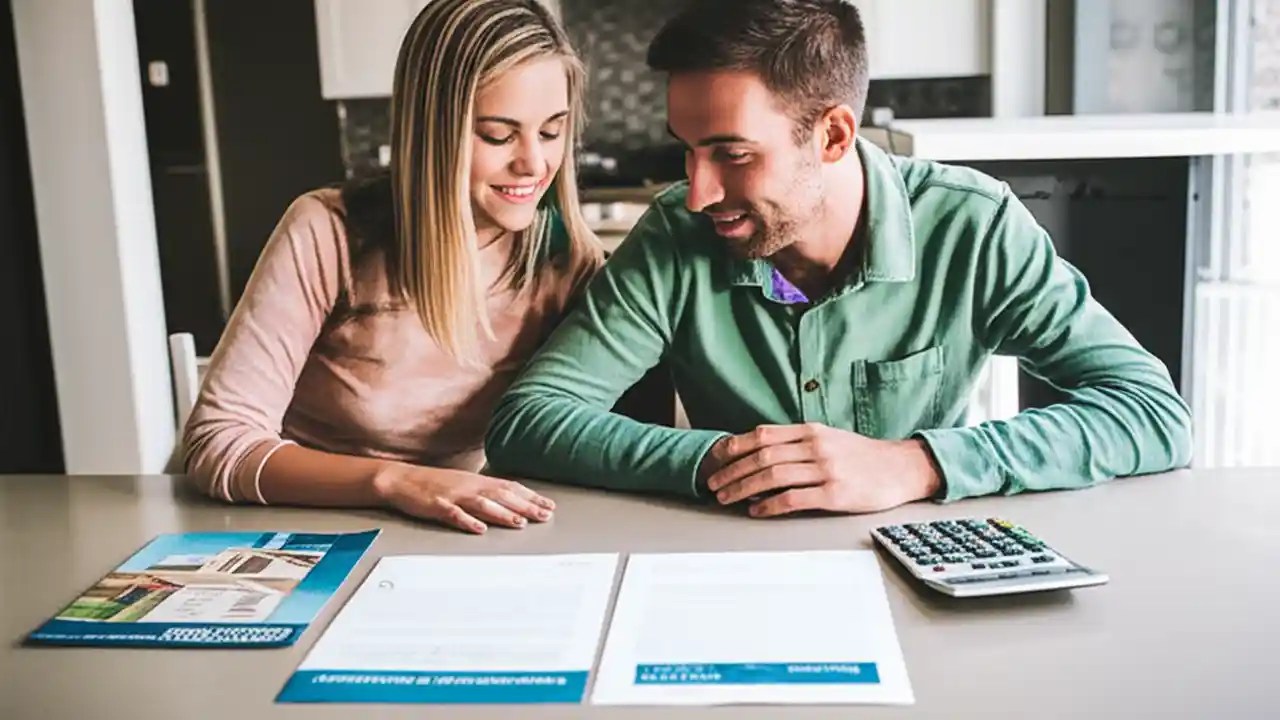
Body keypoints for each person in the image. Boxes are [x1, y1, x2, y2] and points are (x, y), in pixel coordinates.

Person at [485, 0, 1193, 518]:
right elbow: (529, 421)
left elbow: (1153, 415)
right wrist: (728, 464)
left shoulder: (974, 225)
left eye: (732, 154)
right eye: (687, 149)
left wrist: (916, 464)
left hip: (928, 564)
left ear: (832, 135)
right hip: (731, 567)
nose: (698, 192)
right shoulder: (676, 234)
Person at [183, 0, 604, 534]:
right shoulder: (327, 231)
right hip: (300, 525)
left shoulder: (567, 262)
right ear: (433, 129)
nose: (534, 163)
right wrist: (395, 482)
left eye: (551, 132)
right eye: (498, 134)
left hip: (450, 532)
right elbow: (219, 442)